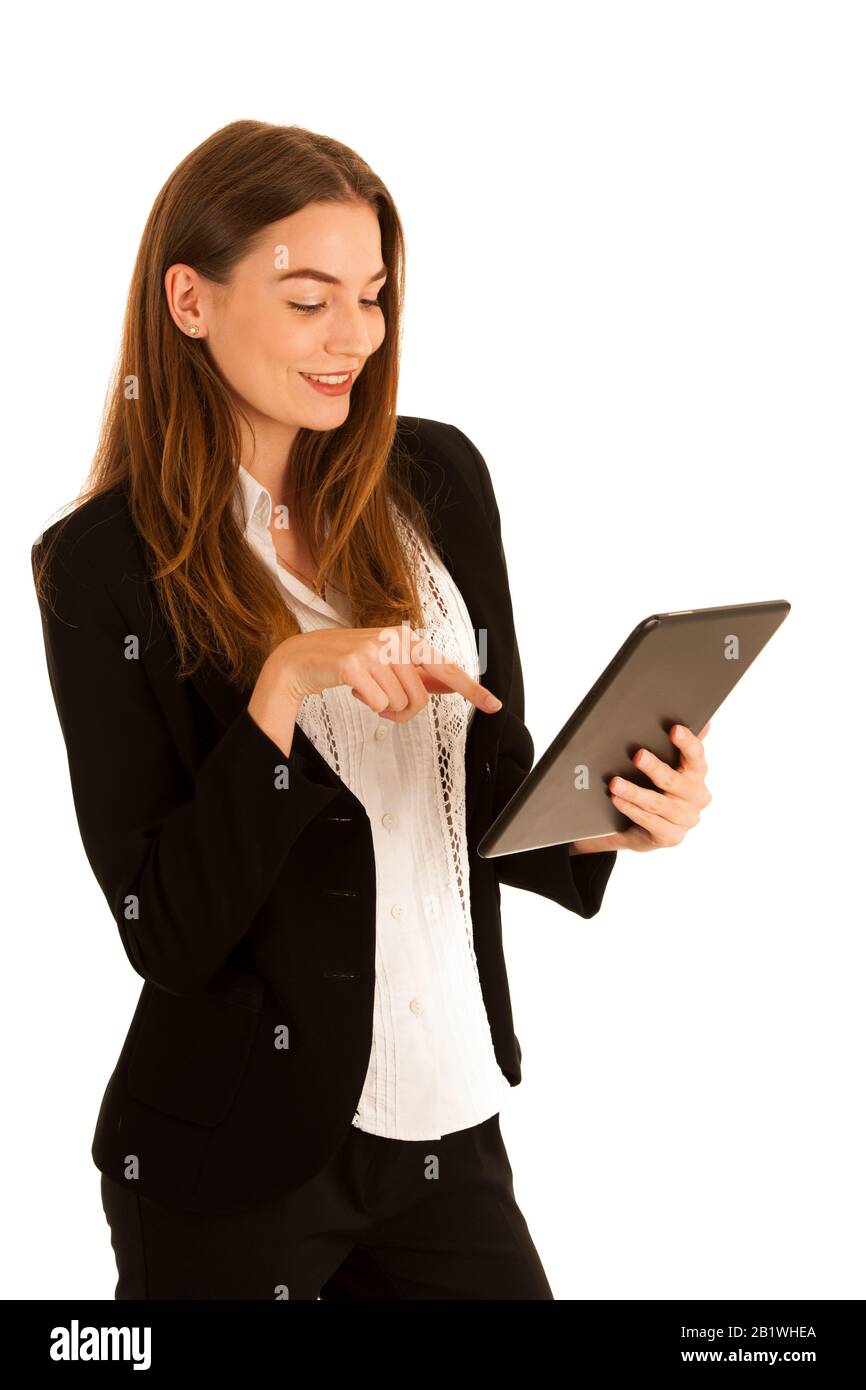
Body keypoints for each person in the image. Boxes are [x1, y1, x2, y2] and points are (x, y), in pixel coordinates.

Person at [32, 119, 712, 1300]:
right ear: (189, 301)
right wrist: (286, 683)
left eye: (373, 295)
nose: (354, 336)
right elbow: (167, 925)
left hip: (451, 1123)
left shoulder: (438, 480)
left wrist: (616, 813)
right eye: (308, 301)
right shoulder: (101, 566)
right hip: (234, 1159)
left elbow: (480, 788)